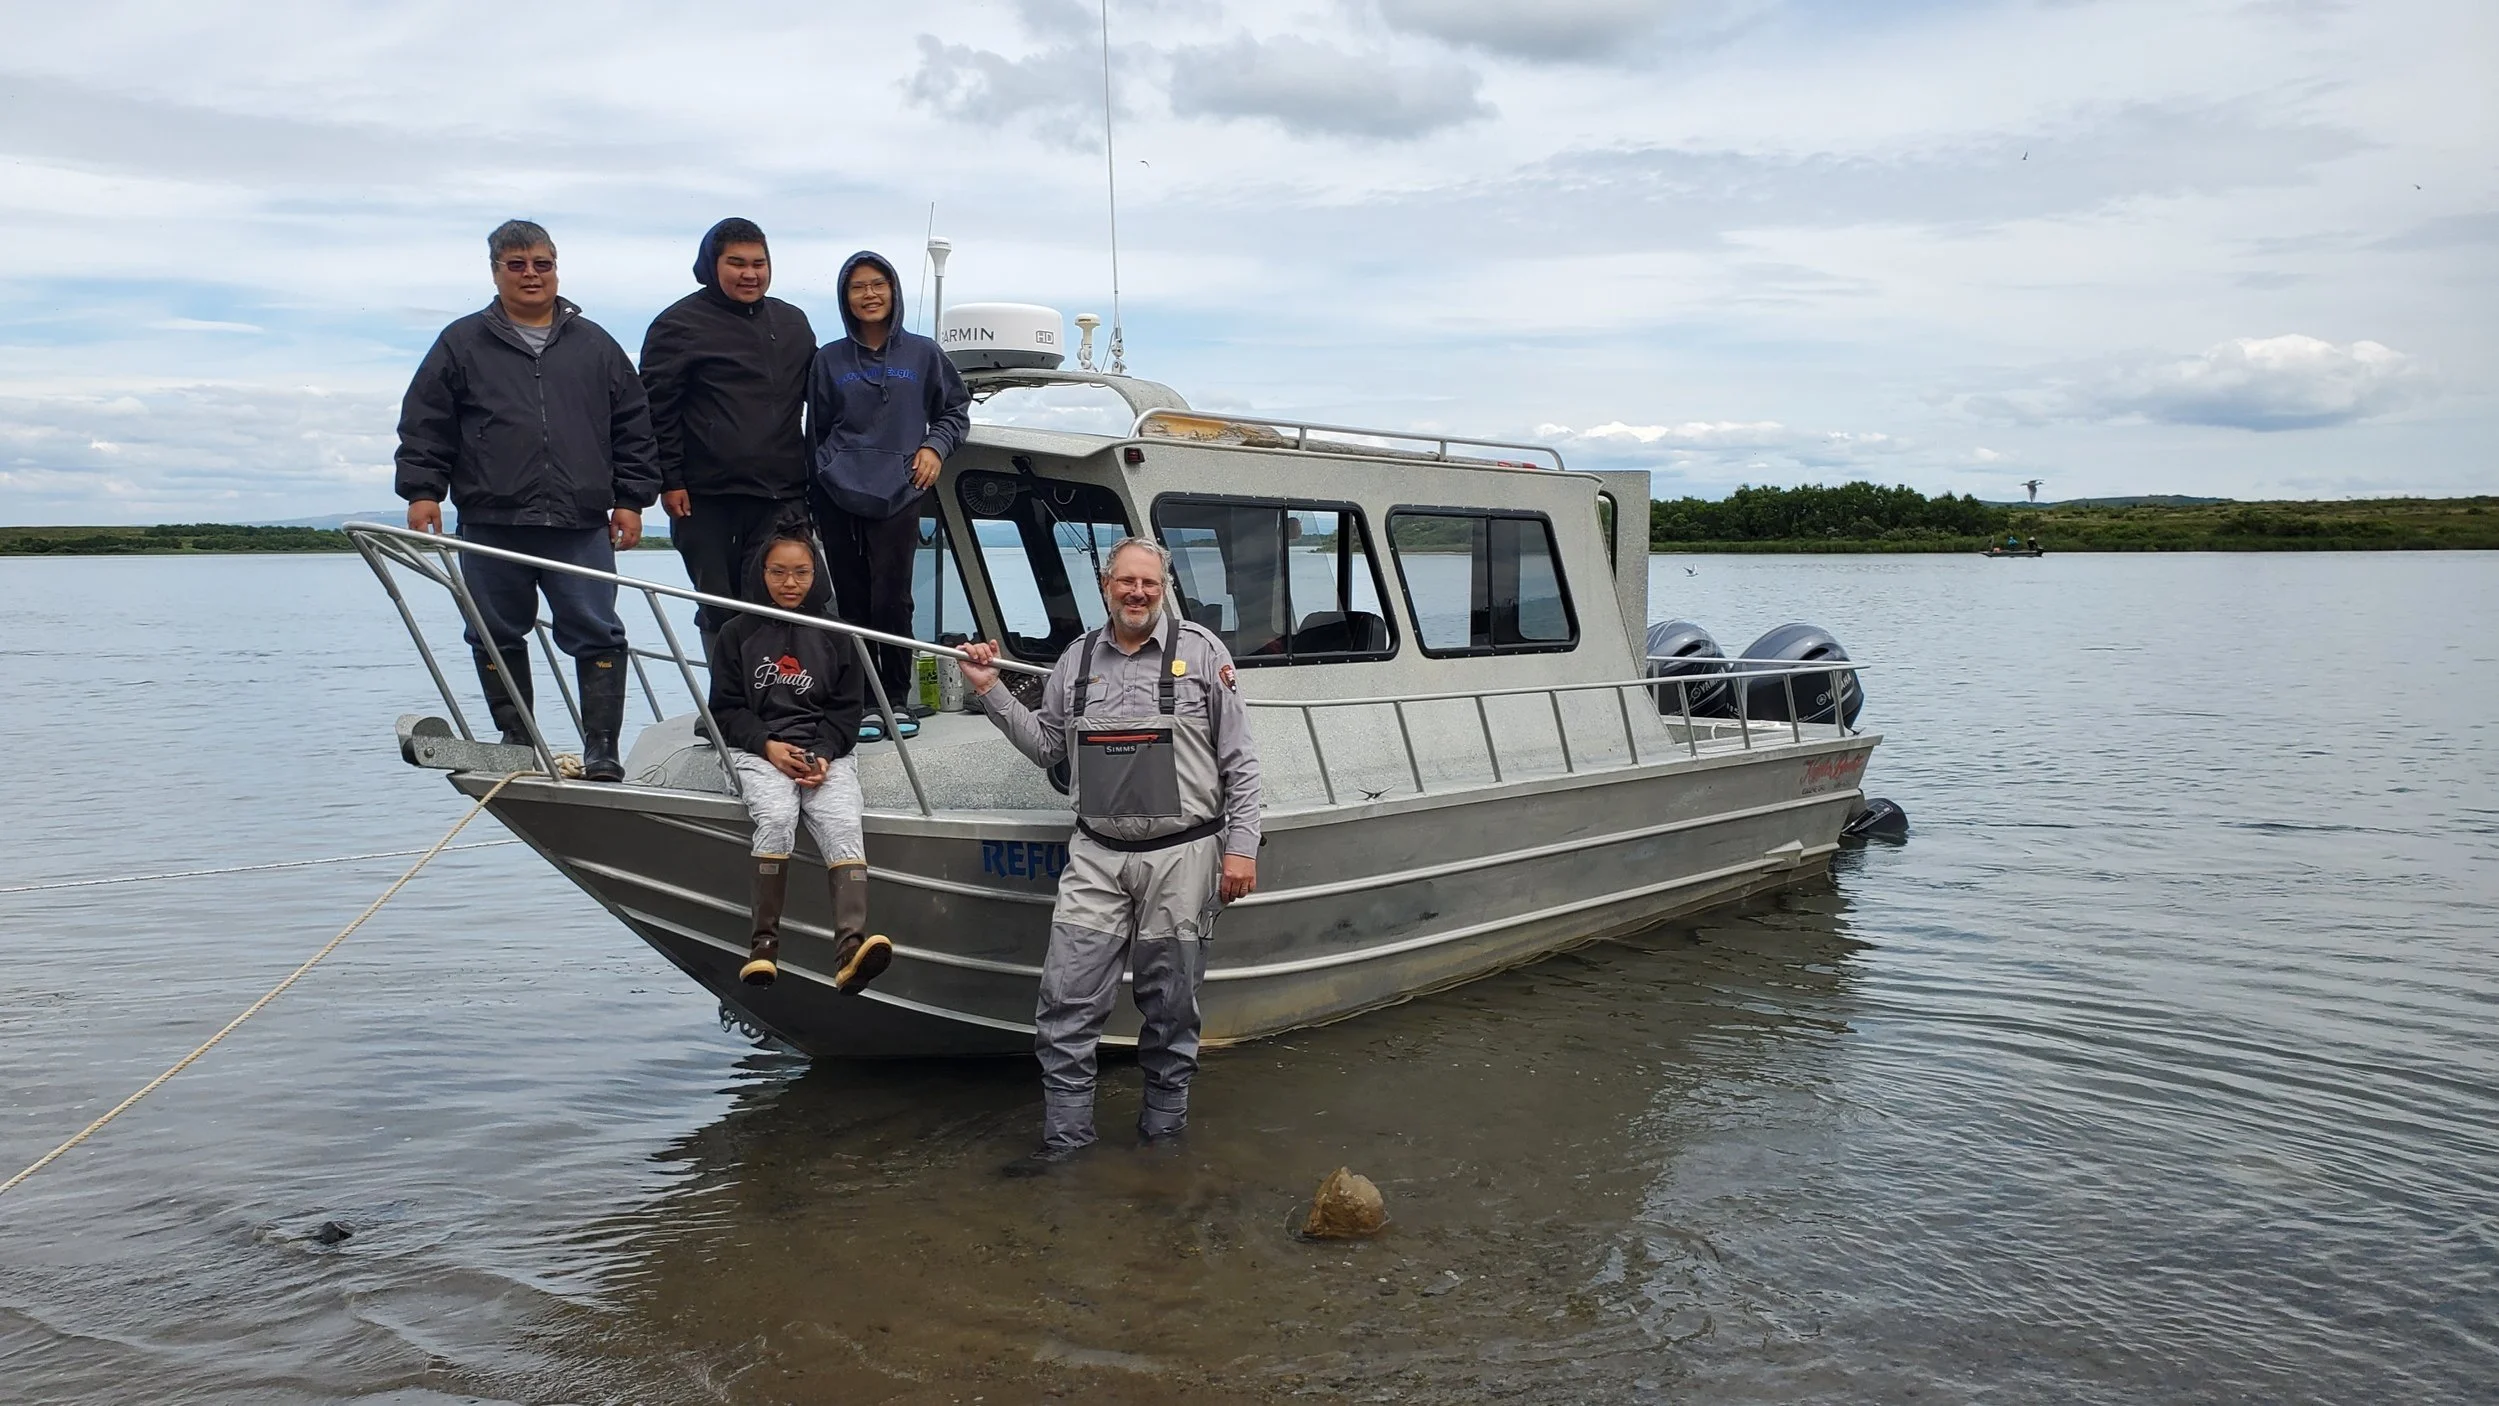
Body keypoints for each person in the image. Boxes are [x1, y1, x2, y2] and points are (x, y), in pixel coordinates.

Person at [958, 537, 1263, 1174]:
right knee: (1065, 998)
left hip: (1183, 856)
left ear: (1165, 587)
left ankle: (1163, 1139)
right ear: (1105, 585)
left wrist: (1241, 848)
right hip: (1095, 855)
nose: (1137, 593)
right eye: (1126, 582)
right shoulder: (1075, 661)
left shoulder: (1203, 654)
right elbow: (1048, 748)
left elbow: (1240, 762)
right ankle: (1067, 1147)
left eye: (1149, 584)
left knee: (1171, 1003)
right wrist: (990, 691)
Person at [396, 219, 658, 782]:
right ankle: (516, 738)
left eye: (541, 263)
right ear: (495, 272)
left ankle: (602, 749)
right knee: (493, 629)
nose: (531, 275)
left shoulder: (597, 345)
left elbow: (634, 425)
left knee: (599, 631)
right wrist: (422, 491)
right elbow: (426, 423)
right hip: (492, 518)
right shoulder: (460, 342)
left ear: (556, 267)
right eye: (517, 265)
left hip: (581, 520)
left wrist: (633, 500)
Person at [707, 518, 892, 993]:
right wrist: (768, 746)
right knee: (775, 814)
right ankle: (763, 946)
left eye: (802, 573)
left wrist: (825, 754)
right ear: (761, 573)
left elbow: (847, 712)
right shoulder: (735, 632)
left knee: (844, 820)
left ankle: (851, 949)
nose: (790, 583)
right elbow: (725, 709)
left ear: (817, 576)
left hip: (823, 752)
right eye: (778, 572)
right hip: (758, 749)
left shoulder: (836, 636)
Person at [806, 250, 970, 741]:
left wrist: (934, 448)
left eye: (878, 284)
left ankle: (895, 699)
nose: (869, 294)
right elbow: (816, 432)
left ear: (893, 290)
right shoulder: (828, 359)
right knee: (850, 602)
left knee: (892, 601)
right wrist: (817, 488)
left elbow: (955, 412)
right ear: (845, 297)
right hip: (837, 493)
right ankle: (859, 703)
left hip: (901, 489)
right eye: (858, 287)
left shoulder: (922, 355)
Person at [639, 218, 817, 662]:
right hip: (704, 497)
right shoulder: (677, 324)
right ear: (711, 265)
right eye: (736, 263)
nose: (749, 273)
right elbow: (655, 409)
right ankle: (728, 702)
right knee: (720, 604)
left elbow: (829, 398)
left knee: (787, 601)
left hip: (783, 493)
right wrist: (669, 479)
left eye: (759, 263)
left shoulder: (793, 323)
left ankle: (786, 699)